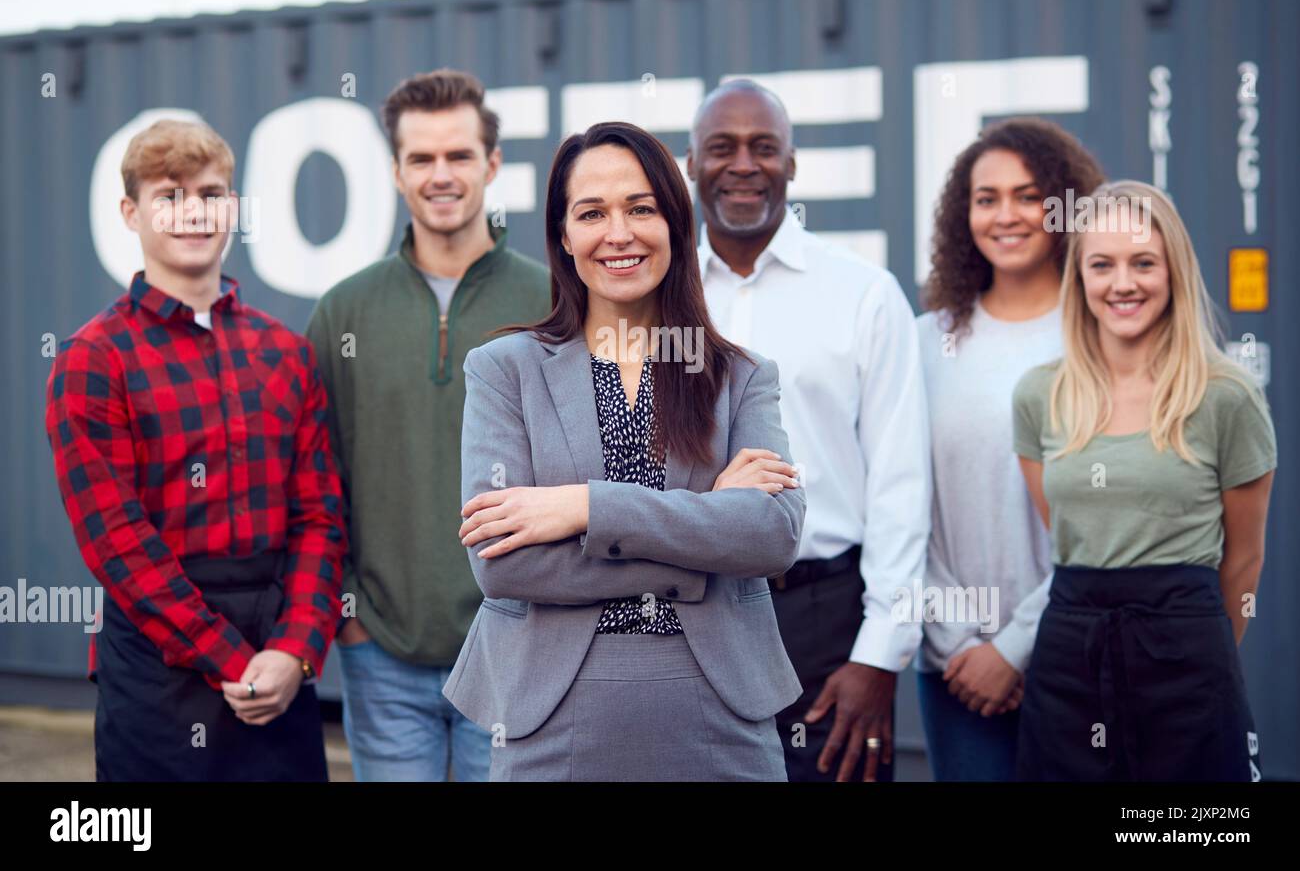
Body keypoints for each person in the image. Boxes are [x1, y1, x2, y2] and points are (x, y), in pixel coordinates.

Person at [443, 120, 806, 781]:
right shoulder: (504, 371)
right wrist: (704, 537)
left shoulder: (743, 375)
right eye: (592, 213)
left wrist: (584, 507)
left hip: (722, 721)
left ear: (673, 221)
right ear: (562, 233)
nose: (618, 233)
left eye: (640, 208)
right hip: (551, 719)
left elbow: (771, 536)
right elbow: (503, 567)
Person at [44, 119, 345, 781]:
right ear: (131, 212)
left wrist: (295, 652)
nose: (192, 212)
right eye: (168, 195)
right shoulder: (94, 360)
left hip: (277, 664)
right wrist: (230, 660)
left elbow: (320, 518)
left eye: (209, 193)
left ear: (231, 206)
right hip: (157, 673)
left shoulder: (285, 355)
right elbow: (118, 543)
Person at [306, 69, 550, 781]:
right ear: (396, 171)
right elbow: (315, 480)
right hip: (381, 654)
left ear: (492, 164)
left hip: (513, 649)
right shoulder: (344, 311)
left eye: (459, 155)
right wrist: (349, 618)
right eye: (422, 158)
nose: (441, 175)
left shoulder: (551, 303)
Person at [687, 79, 931, 781]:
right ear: (691, 164)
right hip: (688, 611)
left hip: (825, 622)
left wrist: (877, 655)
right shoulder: (657, 295)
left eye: (764, 148)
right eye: (721, 148)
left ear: (791, 165)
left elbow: (900, 484)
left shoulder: (863, 293)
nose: (743, 165)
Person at [1013, 180, 1275, 781]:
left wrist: (1192, 651)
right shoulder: (1039, 395)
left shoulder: (1227, 396)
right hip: (1068, 656)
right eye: (1102, 264)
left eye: (1143, 263)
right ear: (1079, 279)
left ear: (1174, 270)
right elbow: (1070, 530)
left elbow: (1244, 561)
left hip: (1188, 658)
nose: (1123, 283)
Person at [915, 117, 1105, 780]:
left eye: (1029, 196)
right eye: (986, 197)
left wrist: (1017, 647)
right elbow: (905, 509)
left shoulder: (1101, 338)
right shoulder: (924, 343)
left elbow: (1116, 521)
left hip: (1081, 657)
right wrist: (960, 644)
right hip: (956, 669)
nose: (1007, 215)